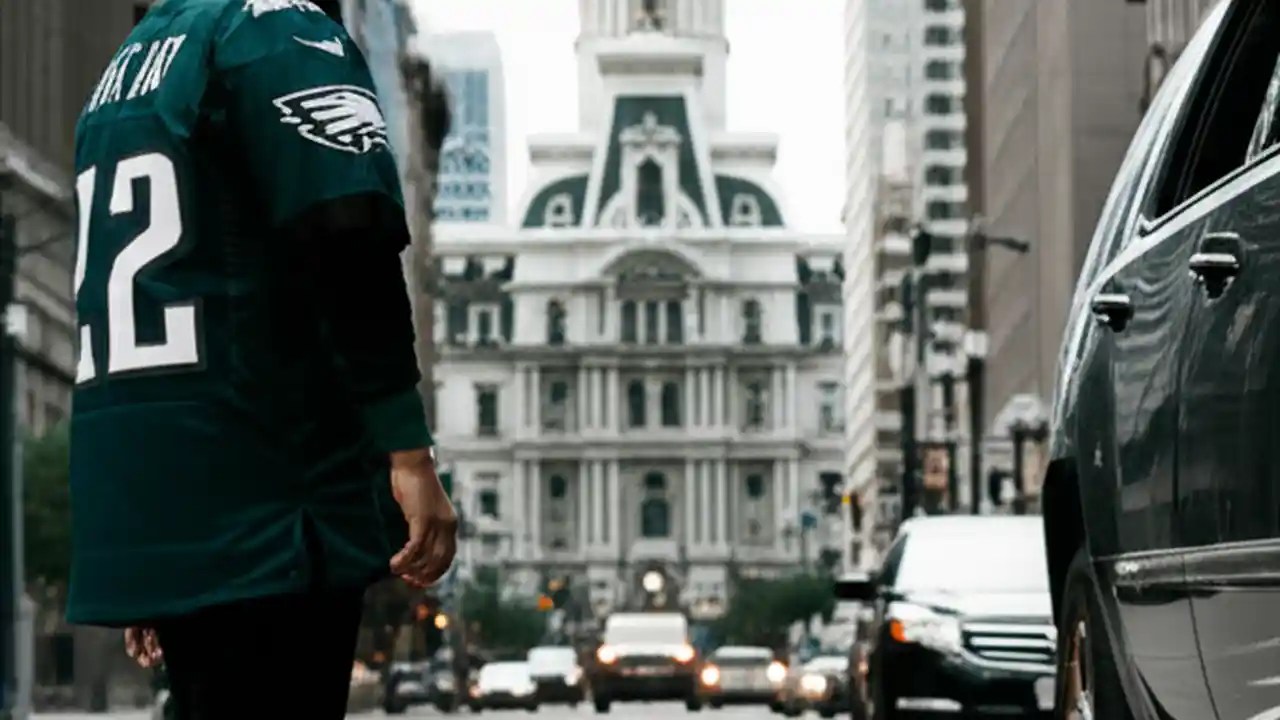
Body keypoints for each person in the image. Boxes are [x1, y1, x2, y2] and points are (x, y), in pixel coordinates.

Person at [68, 0, 456, 717]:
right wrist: (408, 453)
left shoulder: (127, 66)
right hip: (271, 491)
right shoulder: (276, 31)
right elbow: (351, 243)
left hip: (165, 491)